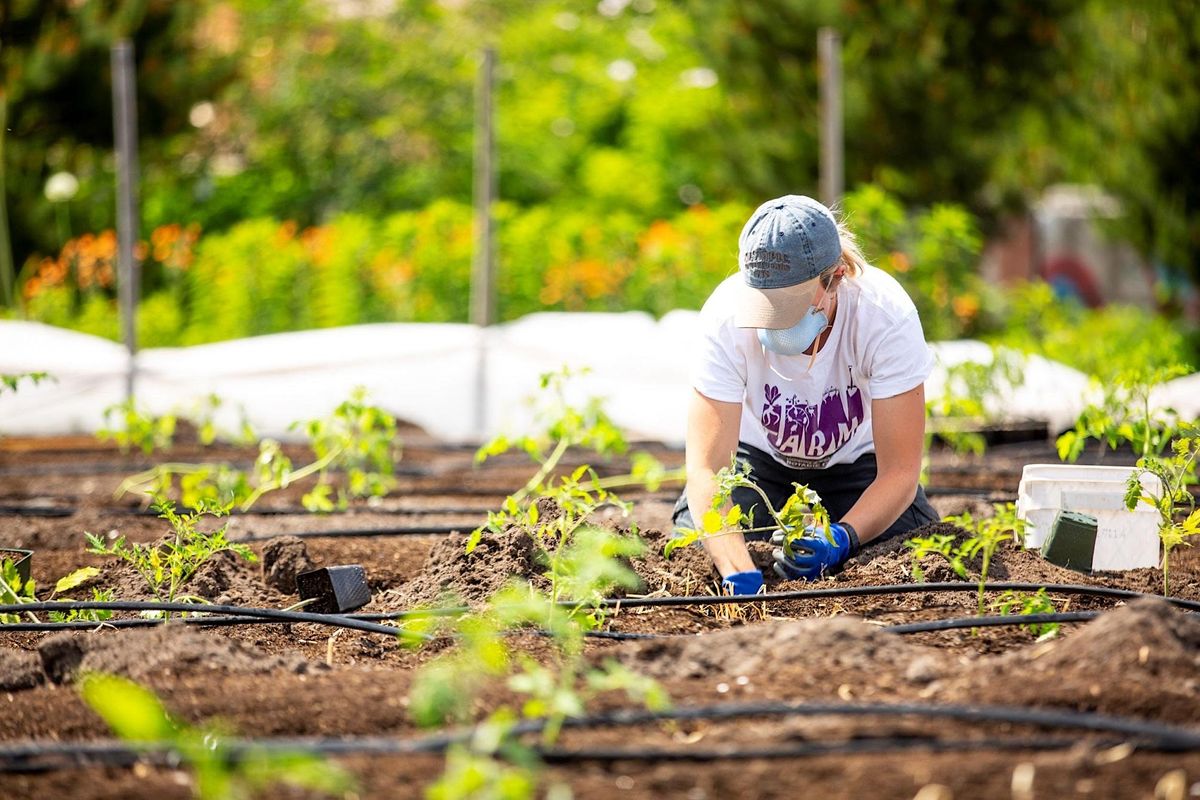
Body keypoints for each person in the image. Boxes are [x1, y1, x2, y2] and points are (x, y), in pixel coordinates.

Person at [673, 194, 938, 595]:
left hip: (857, 470)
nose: (773, 318)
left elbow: (899, 472)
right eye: (764, 302)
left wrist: (844, 537)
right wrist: (738, 572)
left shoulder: (884, 317)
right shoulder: (724, 318)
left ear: (836, 277)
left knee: (917, 550)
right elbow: (707, 470)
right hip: (758, 467)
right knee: (698, 537)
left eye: (789, 303)